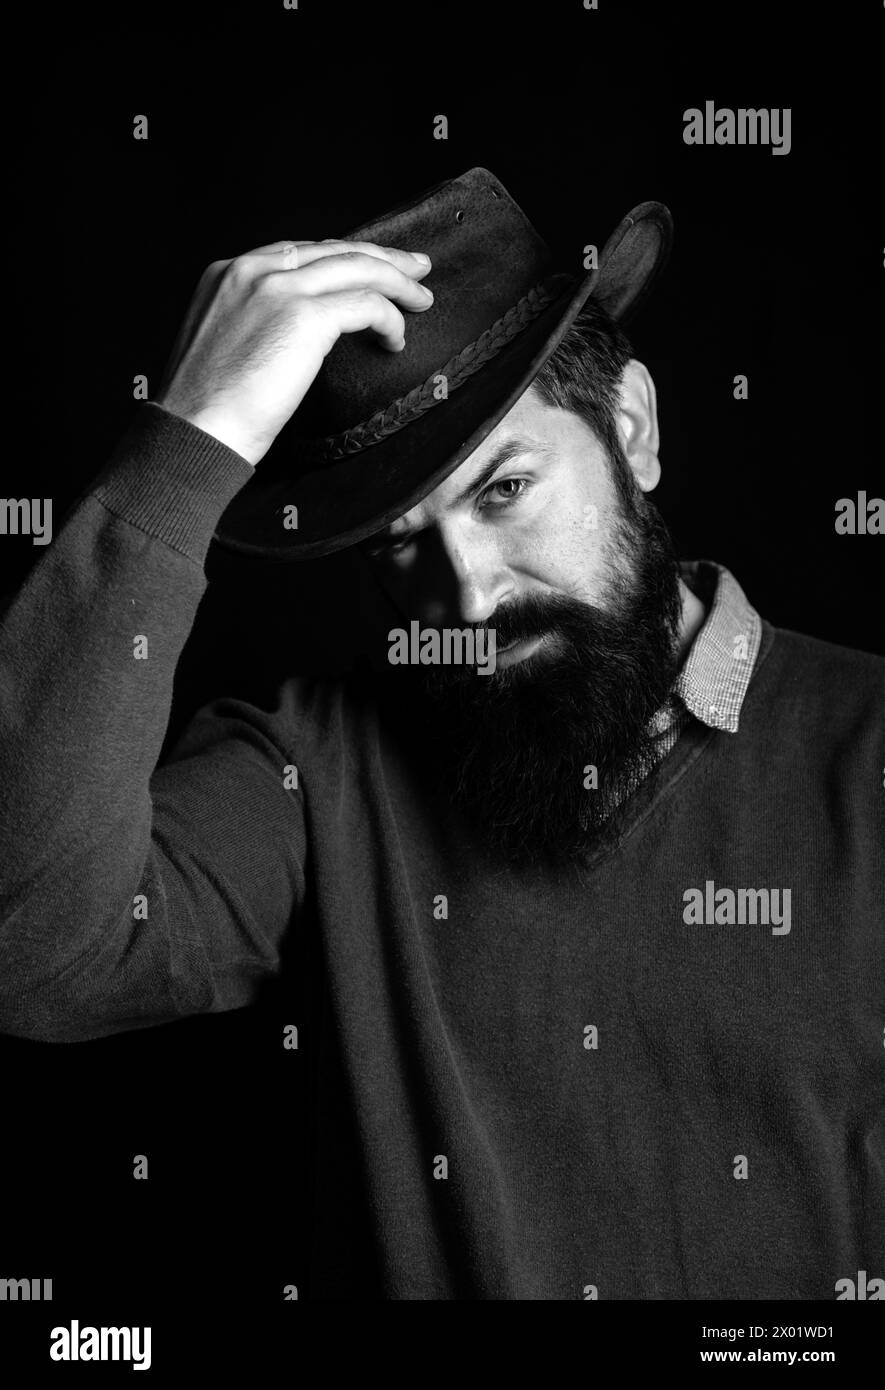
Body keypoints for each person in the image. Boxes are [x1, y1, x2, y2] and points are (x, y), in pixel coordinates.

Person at [1, 169, 882, 1300]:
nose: (464, 597)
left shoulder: (865, 752)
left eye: (505, 489)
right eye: (398, 545)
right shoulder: (311, 773)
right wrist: (188, 446)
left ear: (632, 430)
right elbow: (35, 950)